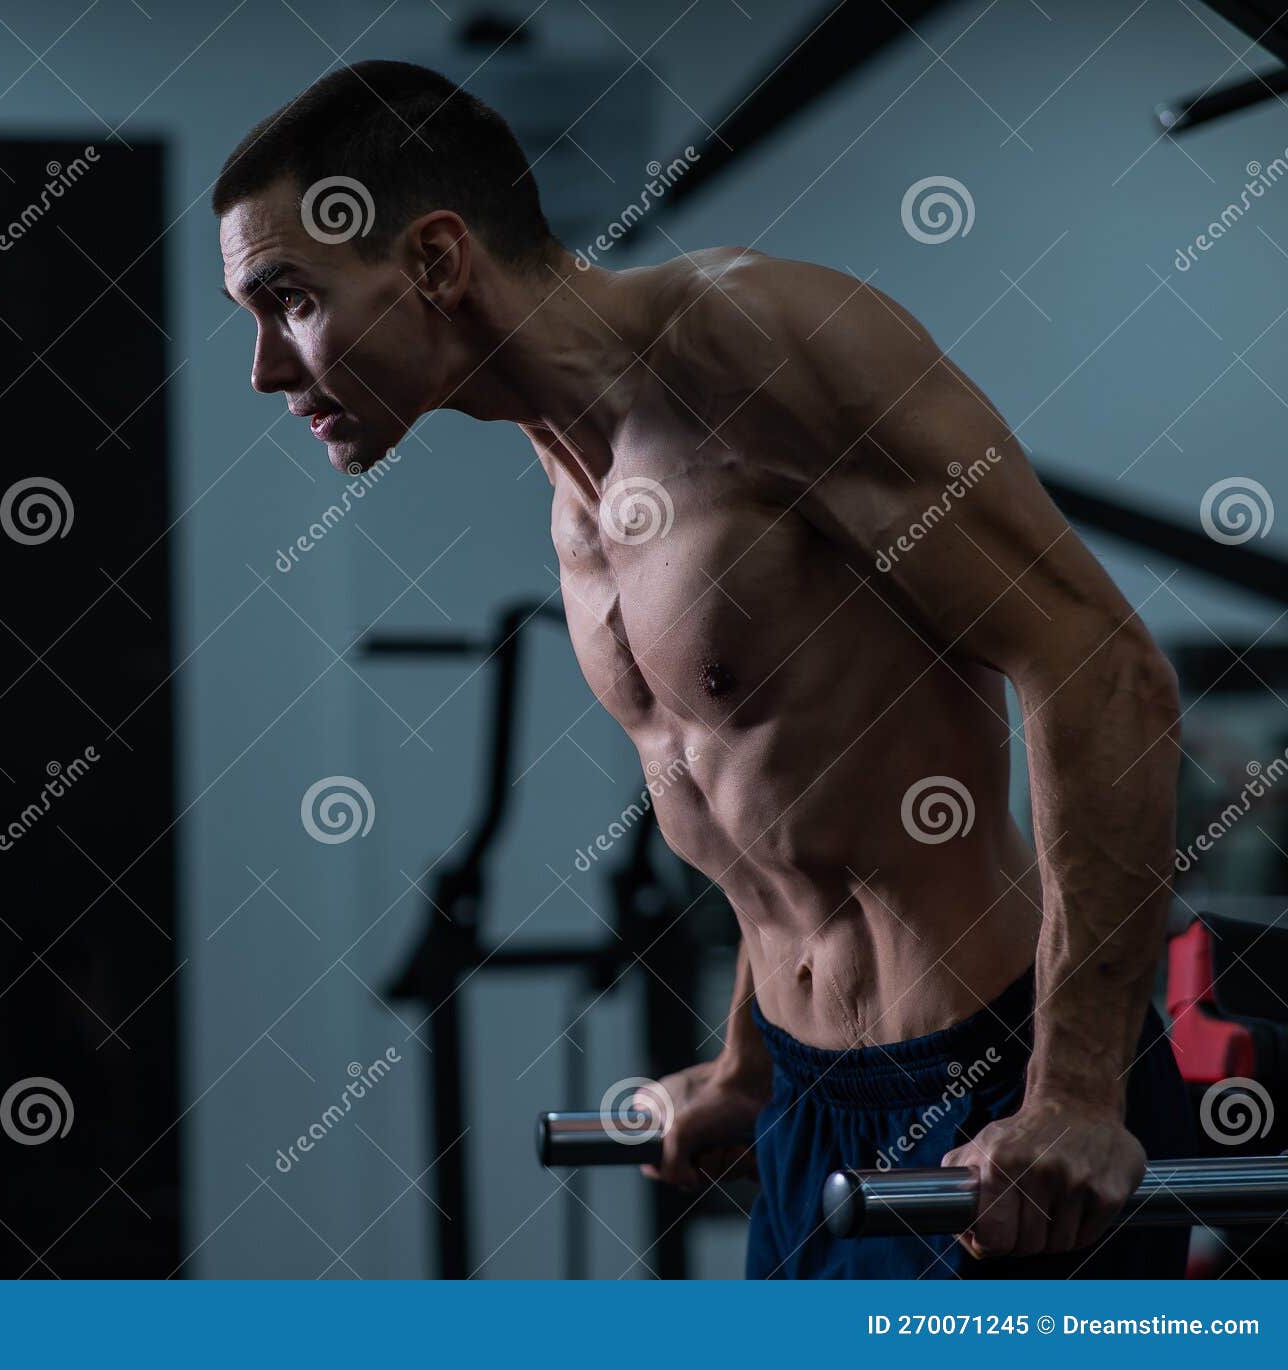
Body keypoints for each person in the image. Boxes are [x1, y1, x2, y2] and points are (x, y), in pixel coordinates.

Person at [212, 60, 1194, 1278]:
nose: (263, 366)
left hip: (984, 1107)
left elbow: (1097, 663)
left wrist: (1077, 1095)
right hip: (805, 1103)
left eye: (288, 299)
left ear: (433, 260)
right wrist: (746, 1061)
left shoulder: (761, 345)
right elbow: (763, 800)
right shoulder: (569, 469)